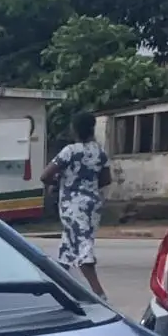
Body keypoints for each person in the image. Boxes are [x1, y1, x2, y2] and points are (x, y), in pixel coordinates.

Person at [42, 110, 111, 297]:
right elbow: (106, 179)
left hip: (72, 205)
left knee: (82, 248)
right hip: (93, 205)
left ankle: (99, 294)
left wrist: (61, 182)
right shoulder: (100, 152)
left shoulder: (70, 151)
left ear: (75, 129)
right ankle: (59, 289)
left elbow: (45, 175)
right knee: (67, 248)